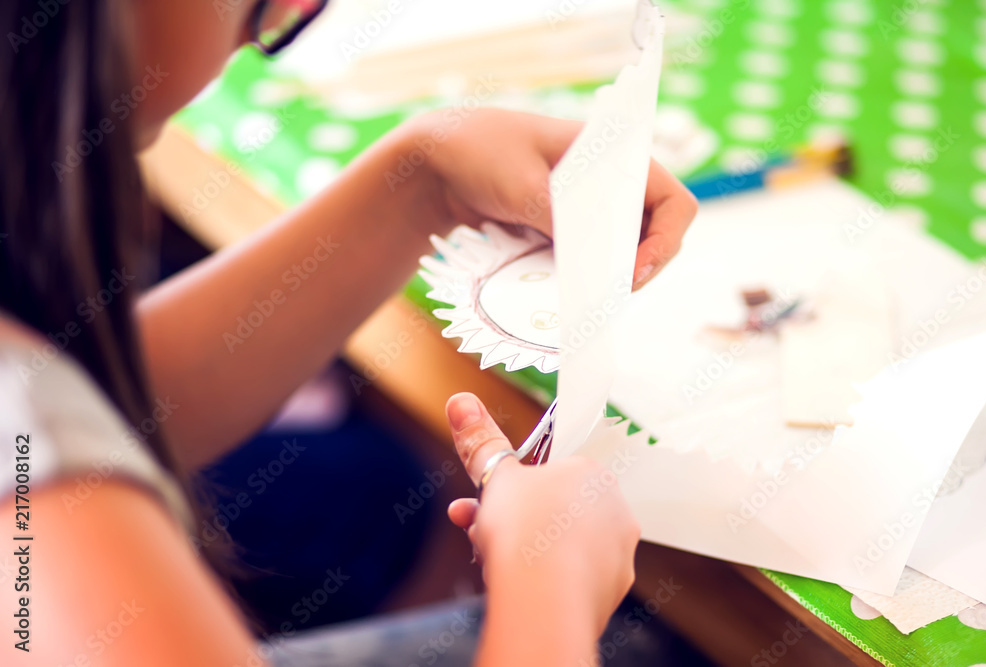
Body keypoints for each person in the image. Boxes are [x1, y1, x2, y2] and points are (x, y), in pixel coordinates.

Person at [0, 0, 697, 664]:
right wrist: (552, 590)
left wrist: (425, 180)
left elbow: (100, 411)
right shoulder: (40, 516)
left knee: (368, 487)